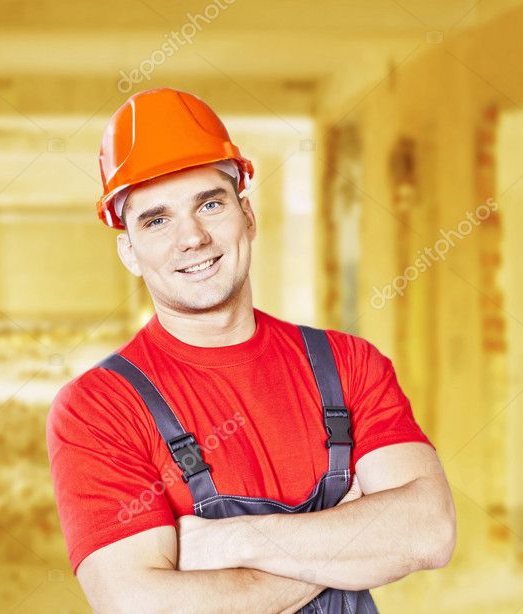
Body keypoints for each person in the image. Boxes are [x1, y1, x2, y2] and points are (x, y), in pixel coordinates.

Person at [46, 87, 456, 613]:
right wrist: (350, 540)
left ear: (248, 216)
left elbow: (429, 530)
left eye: (210, 204)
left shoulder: (349, 365)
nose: (192, 238)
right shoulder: (99, 408)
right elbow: (144, 606)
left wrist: (231, 542)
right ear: (129, 249)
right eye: (157, 220)